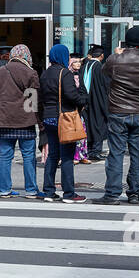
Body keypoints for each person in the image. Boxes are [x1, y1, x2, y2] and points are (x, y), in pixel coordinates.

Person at [99, 28, 139, 205]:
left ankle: (112, 193)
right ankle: (134, 193)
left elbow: (104, 72)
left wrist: (116, 54)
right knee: (137, 155)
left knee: (116, 153)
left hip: (118, 111)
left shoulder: (115, 60)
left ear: (126, 41)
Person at [0, 44, 41, 199]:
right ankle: (31, 190)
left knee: (5, 156)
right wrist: (38, 120)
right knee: (28, 156)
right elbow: (33, 101)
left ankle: (4, 189)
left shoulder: (0, 71)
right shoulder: (31, 73)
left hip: (4, 120)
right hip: (25, 121)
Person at [40, 44, 86, 203]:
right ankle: (68, 193)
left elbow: (39, 98)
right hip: (64, 118)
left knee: (52, 155)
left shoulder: (45, 74)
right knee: (67, 156)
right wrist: (83, 101)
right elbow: (72, 96)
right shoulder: (64, 73)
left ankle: (48, 191)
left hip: (48, 118)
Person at [79, 44, 109, 162]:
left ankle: (89, 150)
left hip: (86, 101)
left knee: (89, 125)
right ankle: (96, 151)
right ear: (101, 56)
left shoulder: (85, 65)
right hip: (97, 101)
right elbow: (104, 86)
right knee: (98, 125)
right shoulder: (100, 67)